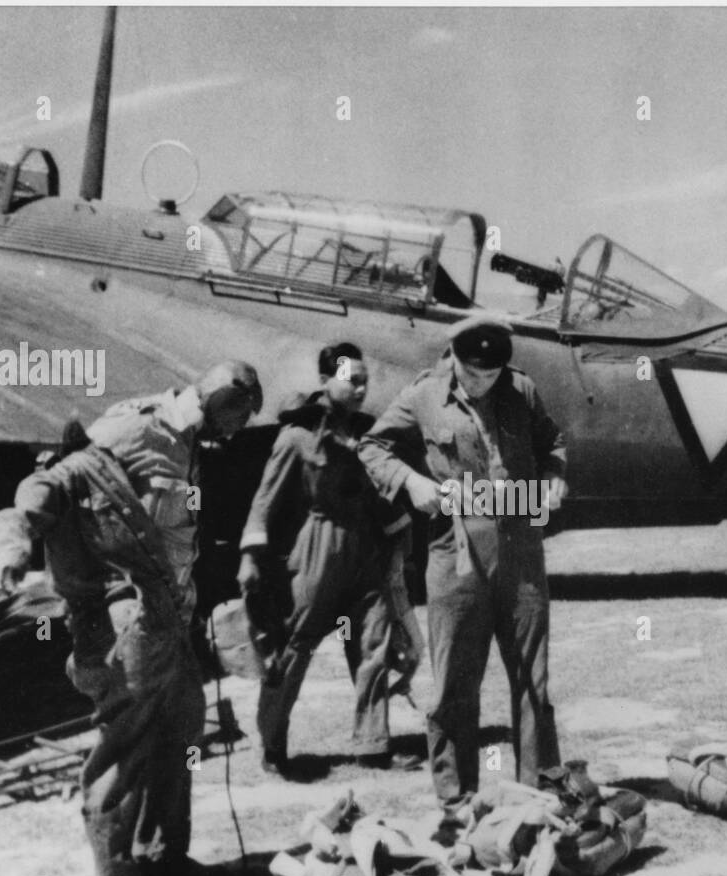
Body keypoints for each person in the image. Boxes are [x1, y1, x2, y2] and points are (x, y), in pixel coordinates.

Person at [0, 362, 263, 876]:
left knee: (182, 725)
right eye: (238, 418)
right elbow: (56, 482)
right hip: (124, 623)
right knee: (127, 746)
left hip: (168, 621)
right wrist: (12, 544)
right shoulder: (135, 429)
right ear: (216, 401)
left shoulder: (191, 443)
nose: (237, 432)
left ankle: (161, 861)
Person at [358, 316, 567, 844]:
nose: (483, 383)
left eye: (491, 373)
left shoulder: (521, 389)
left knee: (532, 682)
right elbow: (372, 449)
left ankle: (539, 794)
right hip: (454, 552)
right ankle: (457, 804)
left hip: (520, 549)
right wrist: (410, 481)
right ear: (454, 359)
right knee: (455, 684)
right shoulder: (423, 395)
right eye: (474, 374)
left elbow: (552, 445)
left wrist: (554, 481)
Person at [237, 343, 421, 776]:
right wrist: (250, 558)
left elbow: (383, 493)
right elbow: (264, 501)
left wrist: (399, 541)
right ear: (324, 380)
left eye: (364, 380)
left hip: (366, 548)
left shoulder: (369, 433)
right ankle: (273, 745)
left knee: (373, 645)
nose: (359, 389)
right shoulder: (296, 435)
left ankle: (373, 746)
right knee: (295, 647)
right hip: (317, 548)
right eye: (349, 380)